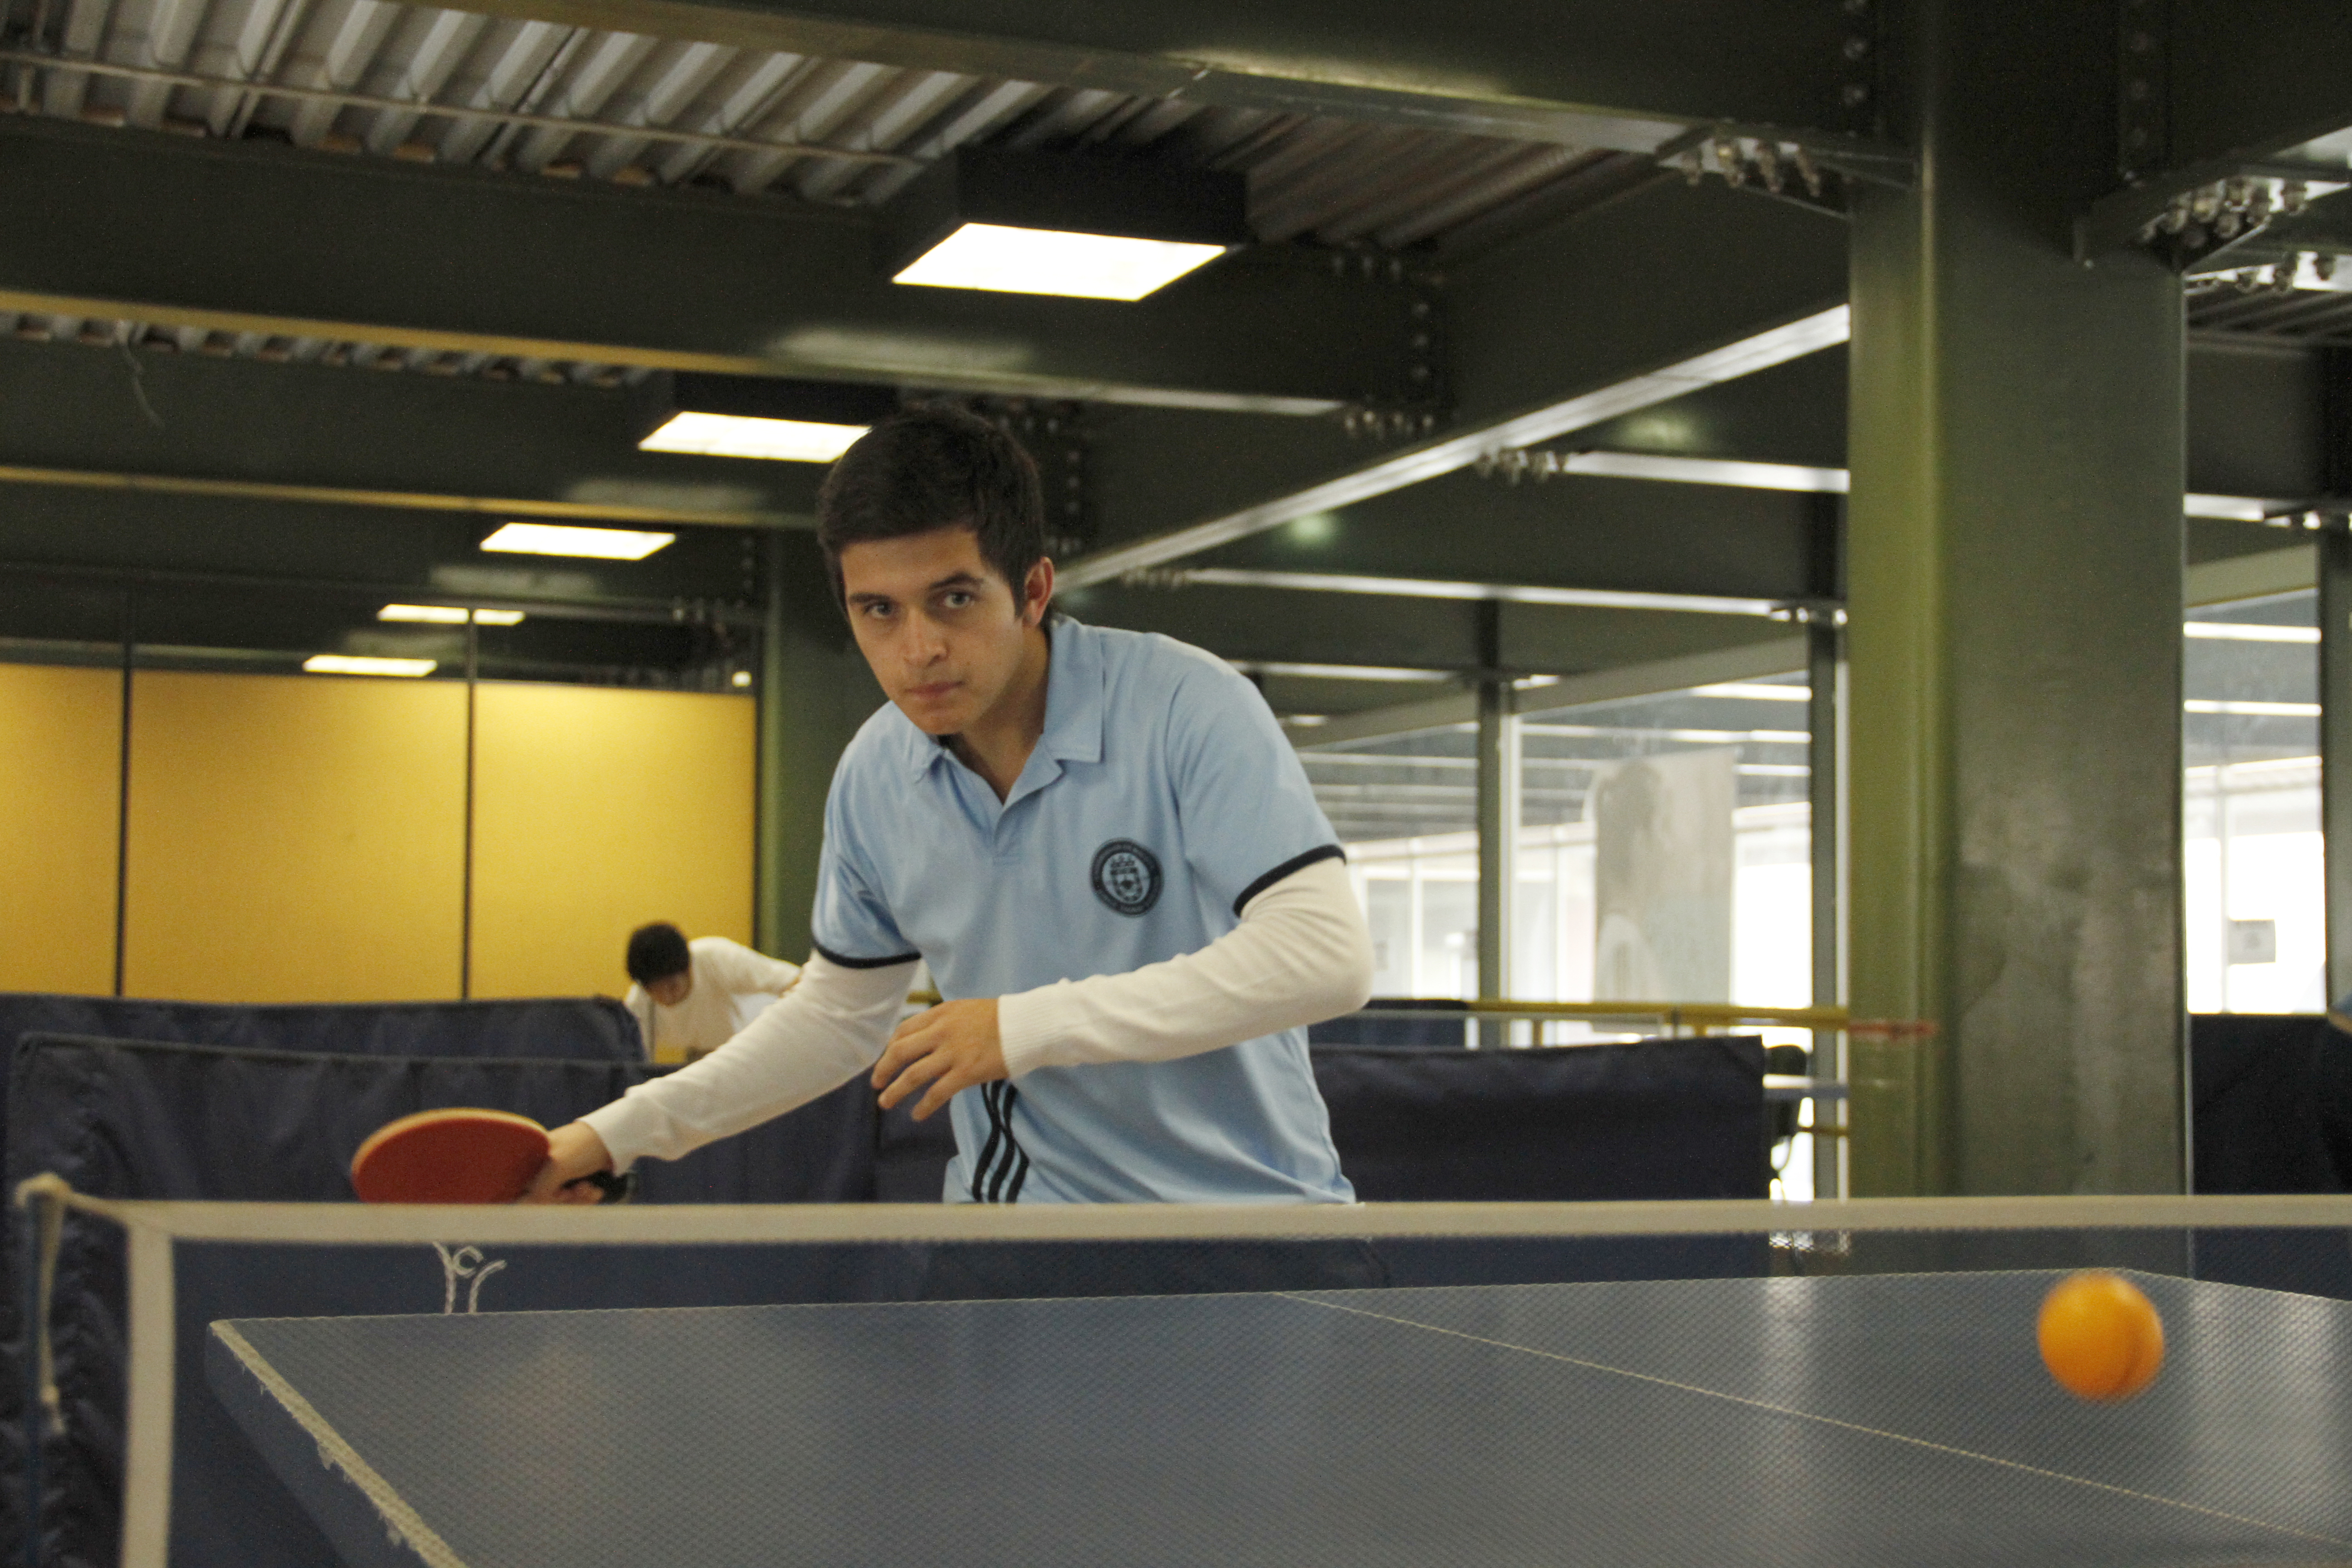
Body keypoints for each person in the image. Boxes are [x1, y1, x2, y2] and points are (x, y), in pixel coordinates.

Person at [529, 405, 1373, 1206]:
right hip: (1018, 1236)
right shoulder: (873, 778)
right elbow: (836, 1018)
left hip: (1258, 1221)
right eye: (878, 611)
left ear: (1033, 590)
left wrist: (1022, 1028)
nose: (918, 649)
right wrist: (609, 1136)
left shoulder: (1186, 705)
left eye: (954, 599)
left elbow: (1326, 955)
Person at [622, 922, 802, 1065]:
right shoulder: (638, 1005)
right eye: (655, 992)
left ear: (689, 969)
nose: (666, 997)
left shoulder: (716, 958)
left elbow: (795, 980)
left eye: (672, 987)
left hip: (762, 1041)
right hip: (705, 1053)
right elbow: (634, 1067)